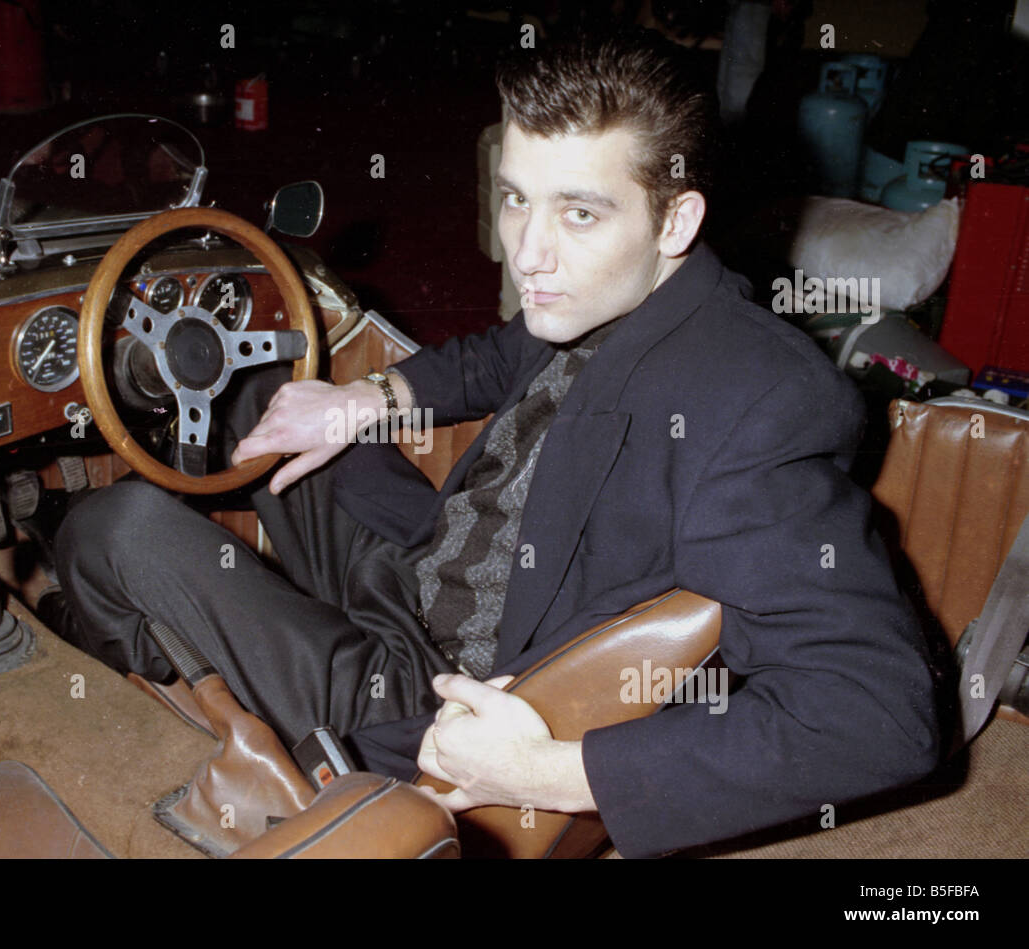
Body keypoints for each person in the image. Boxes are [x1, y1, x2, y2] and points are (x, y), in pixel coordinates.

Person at [54, 27, 939, 858]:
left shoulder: (759, 403)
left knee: (115, 529)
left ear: (676, 221)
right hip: (421, 559)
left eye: (580, 214)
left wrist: (551, 773)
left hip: (436, 682)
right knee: (264, 392)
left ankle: (192, 711)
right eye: (517, 198)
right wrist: (368, 396)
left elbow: (877, 712)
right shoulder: (618, 289)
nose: (528, 255)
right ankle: (237, 634)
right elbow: (501, 355)